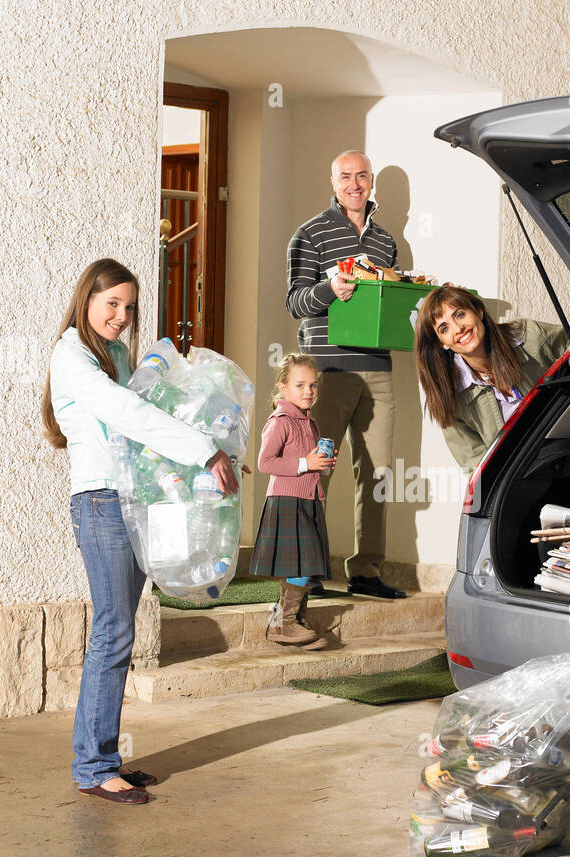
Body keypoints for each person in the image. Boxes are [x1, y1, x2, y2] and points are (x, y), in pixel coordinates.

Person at [42, 258, 238, 805]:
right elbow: (127, 413)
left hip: (132, 500)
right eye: (112, 305)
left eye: (129, 308)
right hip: (101, 504)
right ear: (87, 300)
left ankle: (103, 756)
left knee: (121, 629)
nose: (122, 317)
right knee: (112, 632)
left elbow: (152, 418)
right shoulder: (72, 354)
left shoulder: (119, 353)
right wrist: (204, 451)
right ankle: (94, 767)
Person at [285, 149, 405, 600]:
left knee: (377, 474)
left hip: (377, 369)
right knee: (318, 471)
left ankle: (367, 571)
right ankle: (307, 570)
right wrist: (329, 290)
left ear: (372, 182)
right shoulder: (311, 234)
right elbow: (295, 302)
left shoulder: (385, 241)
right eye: (345, 177)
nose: (354, 184)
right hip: (327, 371)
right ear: (332, 182)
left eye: (362, 176)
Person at [414, 285, 569, 472]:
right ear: (441, 343)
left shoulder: (528, 336)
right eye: (444, 328)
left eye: (460, 315)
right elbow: (477, 468)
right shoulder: (451, 399)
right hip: (526, 477)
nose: (458, 328)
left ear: (478, 311)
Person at [250, 355, 337, 648]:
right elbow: (265, 462)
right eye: (300, 385)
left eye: (313, 385)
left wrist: (321, 464)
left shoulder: (309, 422)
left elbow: (308, 462)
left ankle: (291, 620)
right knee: (301, 563)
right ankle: (286, 622)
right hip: (287, 499)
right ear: (283, 387)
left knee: (307, 562)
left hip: (309, 498)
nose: (308, 391)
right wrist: (305, 463)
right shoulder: (280, 421)